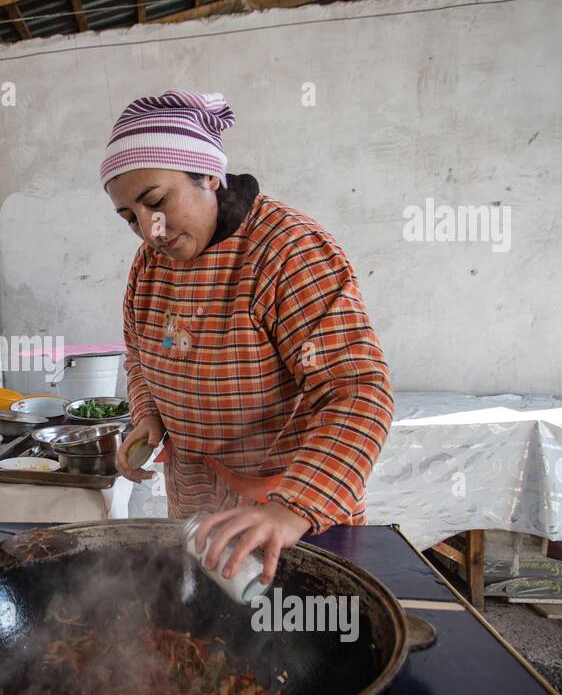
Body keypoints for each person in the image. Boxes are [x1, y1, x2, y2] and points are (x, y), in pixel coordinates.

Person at [103, 89, 394, 588]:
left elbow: (359, 390)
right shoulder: (151, 267)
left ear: (209, 174)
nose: (149, 231)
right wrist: (148, 412)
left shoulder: (286, 251)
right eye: (131, 218)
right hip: (196, 499)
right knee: (208, 637)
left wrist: (291, 509)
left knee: (294, 638)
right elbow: (139, 353)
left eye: (156, 202)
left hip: (291, 513)